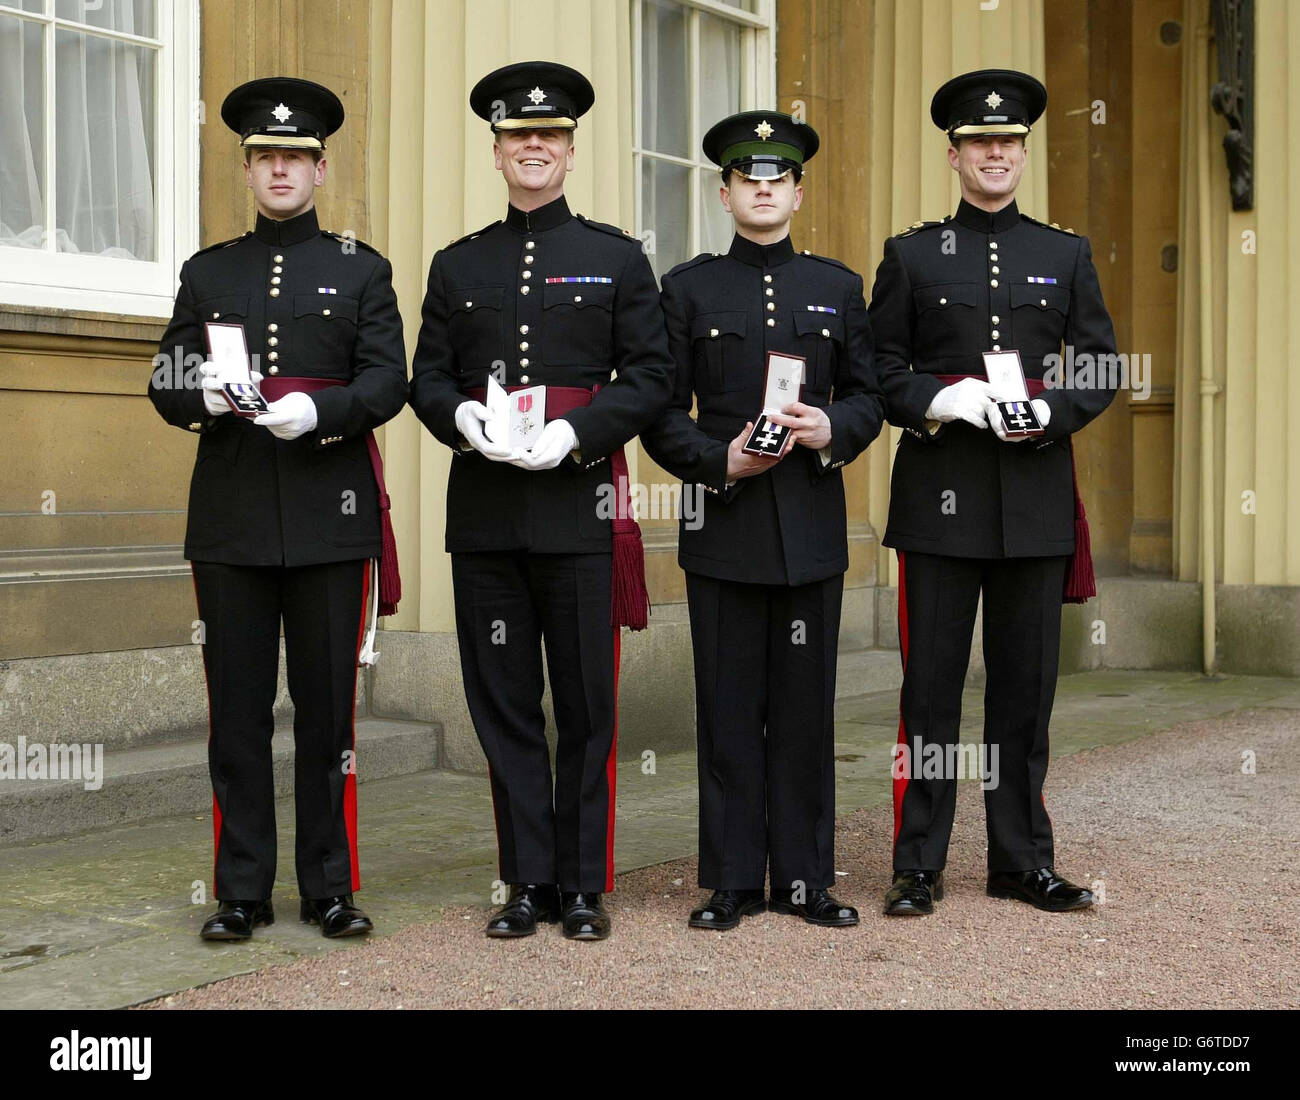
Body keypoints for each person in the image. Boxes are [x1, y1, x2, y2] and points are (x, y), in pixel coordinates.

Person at [408, 61, 673, 942]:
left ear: (567, 149)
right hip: (486, 512)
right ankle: (526, 880)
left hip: (580, 512)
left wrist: (578, 435)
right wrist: (462, 420)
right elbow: (427, 379)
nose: (534, 146)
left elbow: (650, 376)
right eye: (519, 134)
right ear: (496, 150)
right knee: (505, 704)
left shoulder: (615, 257)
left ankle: (584, 883)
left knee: (589, 706)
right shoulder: (458, 264)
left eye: (550, 135)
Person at [149, 77, 408, 941]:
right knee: (239, 713)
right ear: (249, 169)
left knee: (330, 713)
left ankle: (328, 886)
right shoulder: (208, 270)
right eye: (266, 157)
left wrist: (321, 412)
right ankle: (241, 891)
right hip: (230, 520)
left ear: (321, 169)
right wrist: (208, 398)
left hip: (330, 517)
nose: (281, 170)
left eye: (296, 156)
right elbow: (164, 378)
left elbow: (386, 382)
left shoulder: (361, 268)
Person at [868, 69, 1117, 916]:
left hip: (1037, 502)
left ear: (1023, 152)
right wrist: (943, 400)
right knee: (930, 694)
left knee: (1025, 694)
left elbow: (1098, 367)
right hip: (941, 497)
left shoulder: (1065, 252)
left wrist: (1048, 411)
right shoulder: (909, 253)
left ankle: (1019, 859)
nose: (996, 154)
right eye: (980, 143)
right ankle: (917, 864)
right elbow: (877, 369)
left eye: (1008, 143)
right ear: (955, 154)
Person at [641, 111, 884, 931]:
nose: (764, 190)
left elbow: (870, 394)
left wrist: (833, 429)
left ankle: (809, 877)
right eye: (749, 179)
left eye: (777, 179)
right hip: (726, 524)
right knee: (729, 710)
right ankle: (735, 878)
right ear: (725, 191)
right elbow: (661, 410)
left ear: (798, 192)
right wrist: (718, 460)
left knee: (808, 711)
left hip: (811, 529)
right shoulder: (688, 288)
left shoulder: (839, 287)